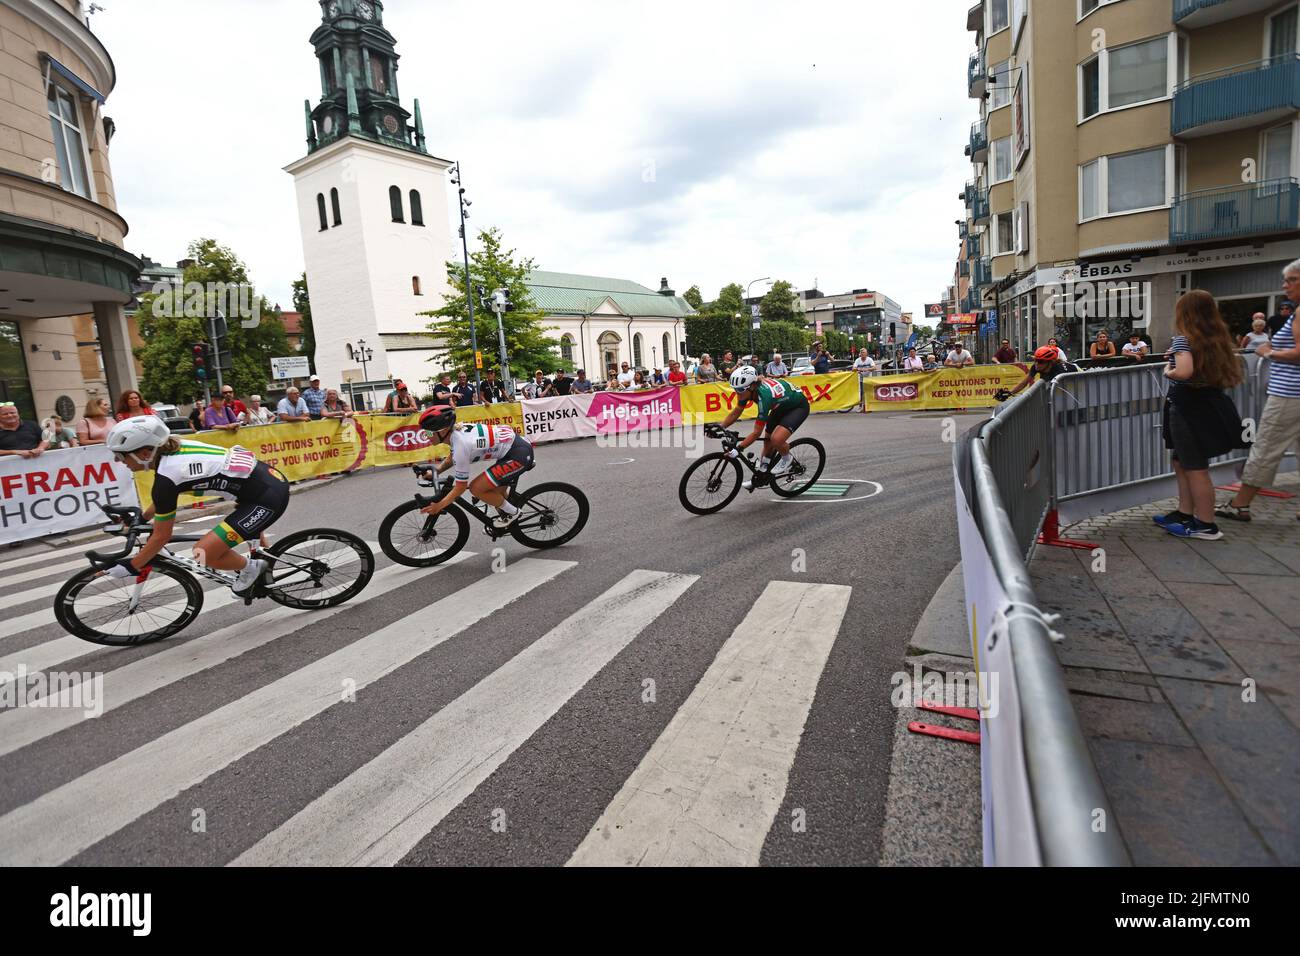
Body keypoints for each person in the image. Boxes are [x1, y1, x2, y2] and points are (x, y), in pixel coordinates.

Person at [105, 415, 288, 595]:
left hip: (265, 497)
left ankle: (253, 568)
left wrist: (132, 565)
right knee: (229, 541)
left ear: (144, 453)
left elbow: (162, 536)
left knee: (204, 553)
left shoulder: (167, 477)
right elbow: (164, 500)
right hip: (261, 484)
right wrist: (142, 518)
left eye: (120, 455)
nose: (117, 461)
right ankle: (261, 564)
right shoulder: (172, 449)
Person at [1149, 291, 1245, 540]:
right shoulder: (1215, 339)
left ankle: (1205, 523)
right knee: (1183, 462)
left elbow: (1183, 372)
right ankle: (1185, 513)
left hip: (1186, 407)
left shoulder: (1184, 339)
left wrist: (1168, 369)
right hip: (1205, 404)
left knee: (1194, 467)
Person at [1217, 262, 1300, 525]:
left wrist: (1270, 352)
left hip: (1289, 393)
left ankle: (1240, 505)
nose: (1285, 285)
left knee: (1265, 446)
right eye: (1285, 280)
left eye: (1292, 280)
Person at [416, 405, 536, 530]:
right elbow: (453, 457)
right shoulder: (456, 433)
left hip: (518, 455)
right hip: (512, 448)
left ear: (442, 431)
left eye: (428, 432)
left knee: (476, 488)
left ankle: (513, 512)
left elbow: (460, 487)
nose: (426, 436)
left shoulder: (460, 445)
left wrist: (439, 506)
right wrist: (436, 471)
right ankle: (508, 514)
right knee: (495, 495)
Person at [715, 366, 811, 491]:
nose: (737, 393)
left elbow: (756, 433)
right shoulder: (747, 391)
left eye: (740, 389)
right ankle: (762, 474)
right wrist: (720, 427)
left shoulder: (763, 397)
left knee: (776, 439)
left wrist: (739, 448)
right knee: (767, 443)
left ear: (752, 386)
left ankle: (787, 458)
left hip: (798, 407)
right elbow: (736, 412)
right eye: (735, 389)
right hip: (779, 407)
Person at [1005, 346, 1081, 397]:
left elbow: (1067, 393)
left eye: (1040, 361)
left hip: (1080, 377)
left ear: (1050, 363)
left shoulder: (1059, 371)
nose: (1037, 364)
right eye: (1035, 360)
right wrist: (1010, 393)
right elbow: (1024, 382)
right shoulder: (1036, 366)